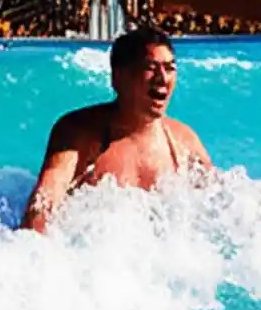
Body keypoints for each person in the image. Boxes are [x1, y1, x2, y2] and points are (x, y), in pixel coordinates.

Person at [19, 27, 213, 233]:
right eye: (150, 67)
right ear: (118, 78)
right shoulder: (80, 135)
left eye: (170, 68)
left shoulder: (183, 143)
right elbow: (42, 207)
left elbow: (219, 207)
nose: (163, 78)